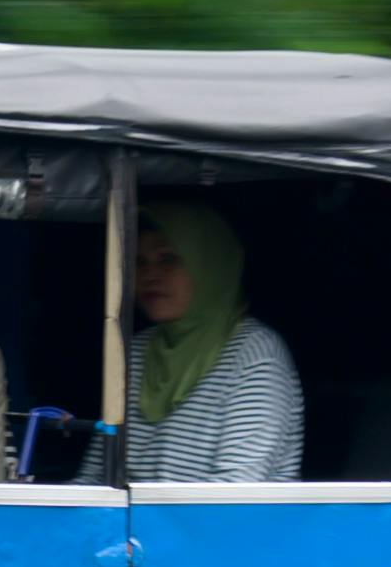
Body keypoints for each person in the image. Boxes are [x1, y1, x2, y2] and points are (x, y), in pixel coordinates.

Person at [85, 202, 302, 482]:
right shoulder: (136, 352)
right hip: (131, 526)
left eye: (167, 259)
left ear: (209, 264)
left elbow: (233, 496)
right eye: (139, 262)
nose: (149, 275)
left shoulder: (254, 355)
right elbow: (94, 479)